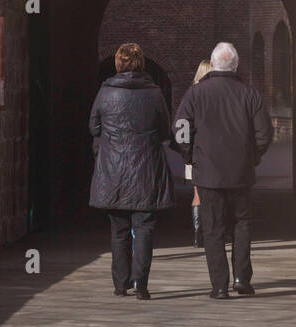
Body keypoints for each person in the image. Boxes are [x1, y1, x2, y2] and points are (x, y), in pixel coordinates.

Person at [174, 41, 273, 299]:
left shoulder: (196, 94)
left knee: (213, 227)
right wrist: (253, 157)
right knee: (242, 224)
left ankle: (219, 285)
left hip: (207, 173)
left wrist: (190, 156)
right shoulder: (249, 94)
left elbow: (181, 128)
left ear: (213, 62)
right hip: (240, 173)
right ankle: (242, 278)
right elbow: (264, 133)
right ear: (236, 65)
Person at [89, 42, 174, 300]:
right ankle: (141, 284)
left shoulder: (106, 92)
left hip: (114, 170)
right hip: (146, 169)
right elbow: (164, 129)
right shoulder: (154, 92)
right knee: (145, 227)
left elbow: (94, 126)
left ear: (118, 63)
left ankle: (120, 283)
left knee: (119, 229)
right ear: (141, 63)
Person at [186, 59, 212, 246]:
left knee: (197, 193)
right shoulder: (216, 95)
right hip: (213, 151)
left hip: (194, 151)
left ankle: (198, 232)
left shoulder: (192, 95)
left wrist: (185, 150)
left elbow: (183, 125)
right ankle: (213, 228)